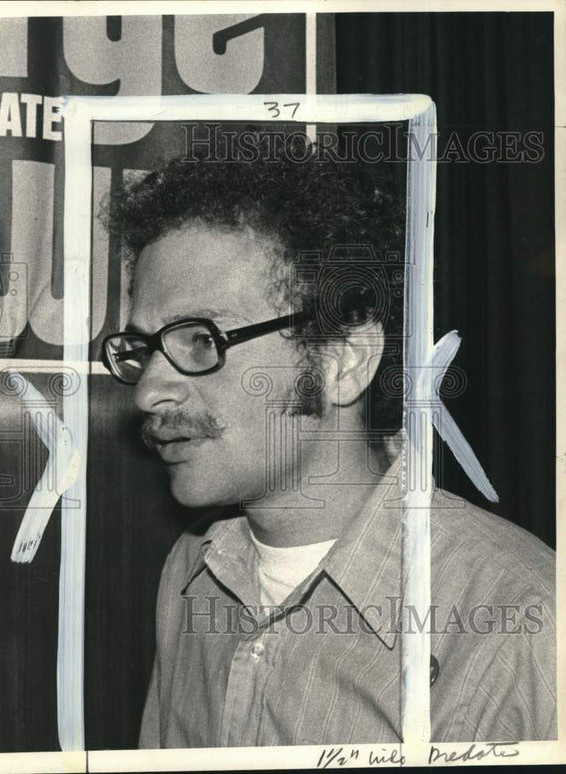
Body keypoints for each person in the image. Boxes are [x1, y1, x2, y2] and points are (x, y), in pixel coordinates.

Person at [101, 134, 556, 747]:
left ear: (344, 360)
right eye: (144, 349)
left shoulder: (517, 620)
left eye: (201, 340)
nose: (148, 392)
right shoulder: (192, 571)